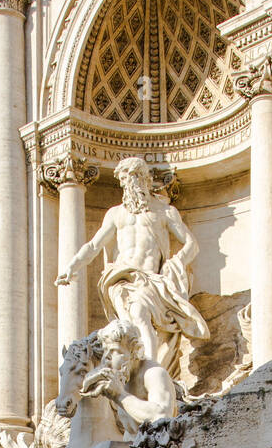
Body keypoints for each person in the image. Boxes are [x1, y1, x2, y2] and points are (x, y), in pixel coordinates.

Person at [55, 156, 208, 377]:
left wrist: (176, 263)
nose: (129, 184)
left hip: (150, 279)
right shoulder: (116, 214)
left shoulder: (165, 212)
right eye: (125, 180)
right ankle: (142, 373)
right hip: (121, 278)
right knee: (133, 321)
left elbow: (191, 244)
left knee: (138, 315)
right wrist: (72, 266)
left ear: (145, 179)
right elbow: (94, 245)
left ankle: (150, 372)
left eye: (133, 177)